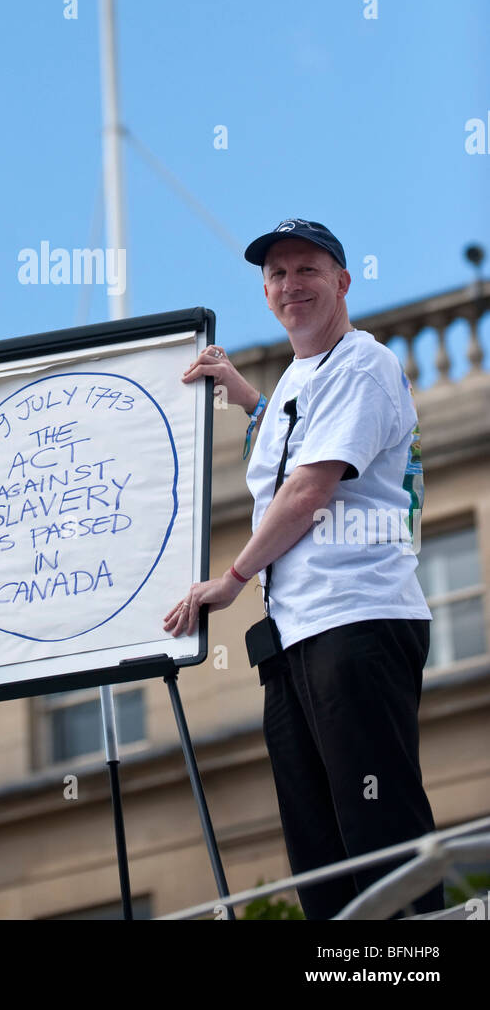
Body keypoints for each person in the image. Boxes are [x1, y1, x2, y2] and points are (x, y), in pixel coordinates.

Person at [163, 218, 443, 920]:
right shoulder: (298, 380)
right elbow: (295, 444)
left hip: (357, 617)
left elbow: (310, 489)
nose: (292, 285)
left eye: (308, 269)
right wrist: (246, 396)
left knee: (379, 832)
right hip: (295, 635)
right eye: (278, 275)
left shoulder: (365, 362)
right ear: (265, 294)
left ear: (342, 281)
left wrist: (230, 578)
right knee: (318, 851)